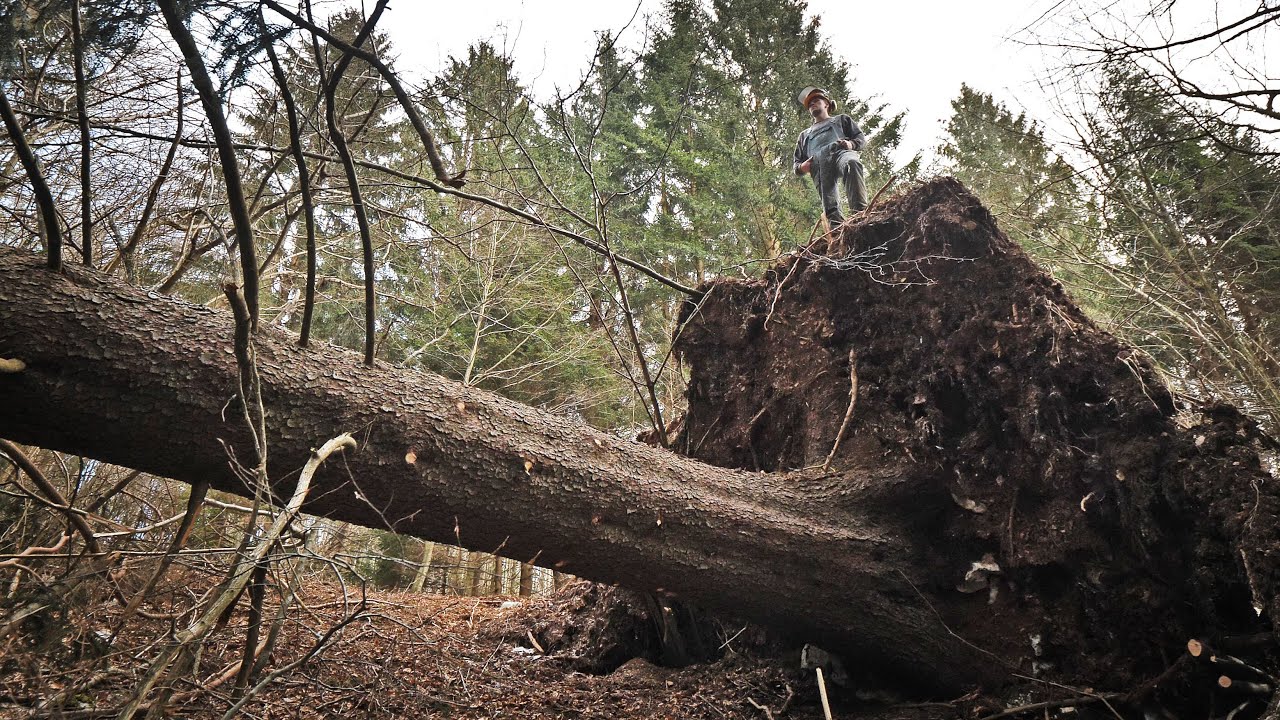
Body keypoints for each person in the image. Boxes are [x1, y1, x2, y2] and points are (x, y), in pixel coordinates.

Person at [793, 86, 868, 227]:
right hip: (818, 165)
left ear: (826, 104)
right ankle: (838, 232)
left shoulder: (841, 120)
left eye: (816, 101)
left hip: (840, 152)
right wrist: (802, 167)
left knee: (851, 164)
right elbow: (796, 164)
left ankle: (860, 216)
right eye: (809, 104)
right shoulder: (804, 135)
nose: (812, 104)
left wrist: (851, 144)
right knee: (829, 203)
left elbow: (860, 139)